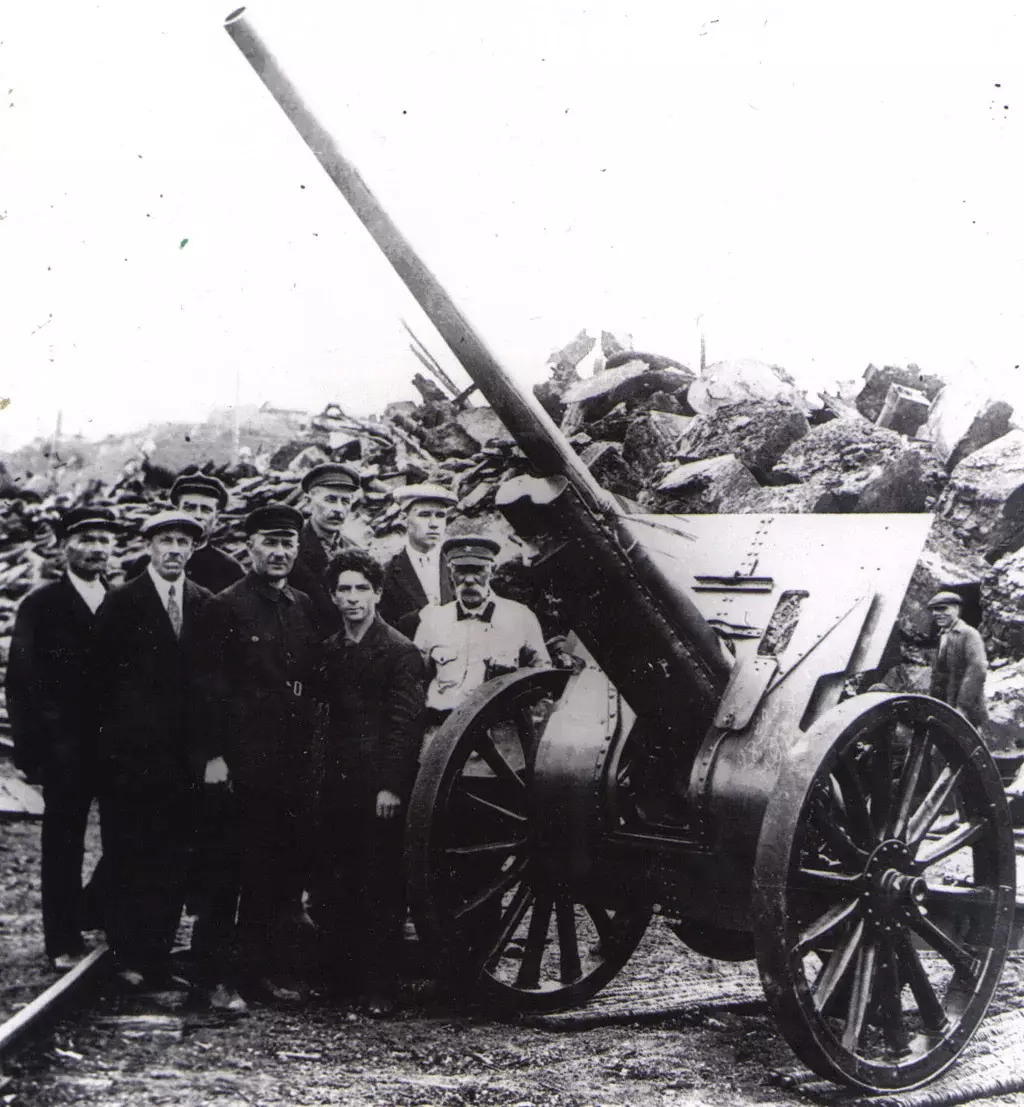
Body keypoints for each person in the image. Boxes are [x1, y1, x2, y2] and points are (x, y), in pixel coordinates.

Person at [194, 504, 321, 1006]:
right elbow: (203, 690)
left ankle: (259, 972)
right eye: (269, 541)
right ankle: (214, 979)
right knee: (227, 872)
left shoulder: (303, 605)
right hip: (240, 761)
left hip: (288, 762)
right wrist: (212, 756)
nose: (280, 551)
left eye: (288, 542)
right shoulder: (224, 607)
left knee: (274, 872)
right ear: (250, 546)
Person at [93, 510, 213, 990]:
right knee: (129, 852)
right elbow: (97, 685)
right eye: (165, 541)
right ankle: (127, 956)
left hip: (183, 761)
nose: (174, 551)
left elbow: (213, 684)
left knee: (173, 856)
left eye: (183, 542)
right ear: (148, 546)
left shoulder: (204, 603)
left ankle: (158, 956)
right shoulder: (122, 603)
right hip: (131, 760)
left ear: (193, 550)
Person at [6, 506, 121, 971]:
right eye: (86, 538)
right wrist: (33, 751)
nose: (97, 548)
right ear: (64, 546)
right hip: (64, 749)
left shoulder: (121, 601)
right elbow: (21, 680)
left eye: (105, 540)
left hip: (116, 747)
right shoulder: (42, 604)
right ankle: (61, 939)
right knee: (63, 842)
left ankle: (113, 923)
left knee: (123, 839)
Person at [311, 548, 426, 1016]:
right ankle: (341, 980)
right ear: (333, 596)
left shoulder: (400, 651)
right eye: (343, 589)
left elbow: (406, 724)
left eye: (361, 588)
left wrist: (392, 786)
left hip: (378, 788)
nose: (352, 598)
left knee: (380, 884)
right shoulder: (330, 649)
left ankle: (381, 986)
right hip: (336, 784)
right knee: (336, 881)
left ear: (378, 594)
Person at [414, 536, 550, 725]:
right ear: (450, 572)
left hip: (500, 737)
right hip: (444, 736)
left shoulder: (520, 617)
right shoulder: (432, 621)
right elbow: (415, 681)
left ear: (492, 570)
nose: (469, 580)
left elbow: (542, 676)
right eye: (461, 571)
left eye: (478, 570)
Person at [122, 472, 244, 594]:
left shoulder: (230, 569)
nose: (197, 515)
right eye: (189, 508)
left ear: (216, 517)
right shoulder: (144, 565)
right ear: (176, 512)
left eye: (206, 510)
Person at [289, 462, 361, 633]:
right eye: (330, 500)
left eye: (345, 501)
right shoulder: (291, 549)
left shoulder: (355, 551)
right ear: (308, 502)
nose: (338, 509)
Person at [379, 484, 457, 637]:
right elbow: (381, 629)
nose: (434, 524)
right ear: (404, 519)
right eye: (424, 515)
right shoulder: (386, 572)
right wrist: (418, 617)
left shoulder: (456, 567)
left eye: (440, 515)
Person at [927, 590, 990, 733]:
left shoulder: (969, 634)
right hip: (944, 706)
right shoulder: (942, 635)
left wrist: (963, 707)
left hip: (964, 710)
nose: (937, 613)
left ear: (956, 609)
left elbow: (977, 670)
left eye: (942, 608)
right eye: (934, 610)